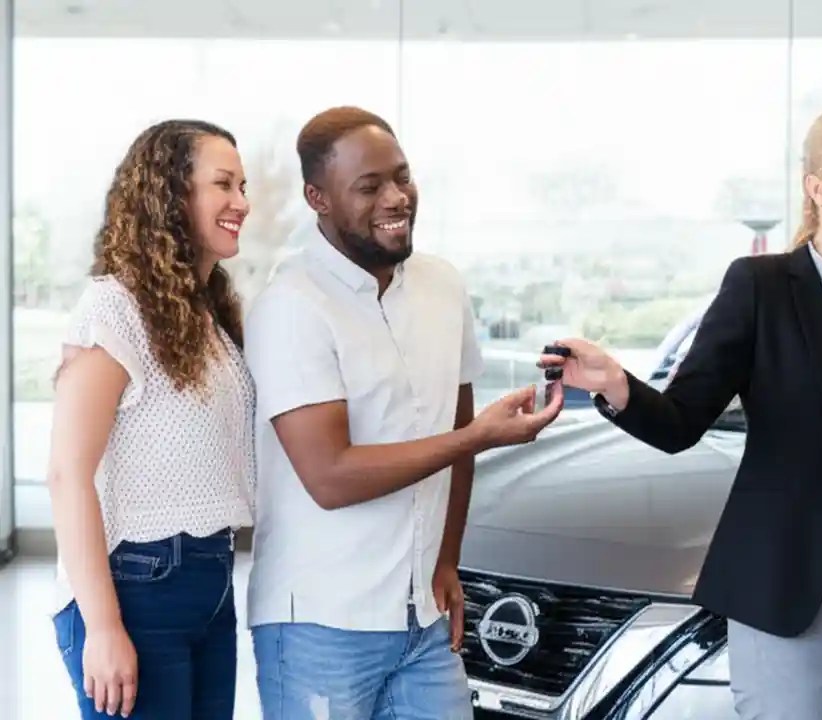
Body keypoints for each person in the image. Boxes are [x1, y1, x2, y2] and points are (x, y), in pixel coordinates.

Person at [540, 106, 822, 720]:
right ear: (817, 187)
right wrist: (615, 383)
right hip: (797, 609)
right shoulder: (762, 288)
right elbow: (681, 420)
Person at [243, 106, 562, 720]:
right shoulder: (291, 307)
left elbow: (458, 434)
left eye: (402, 177)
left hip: (425, 620)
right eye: (369, 187)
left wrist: (446, 559)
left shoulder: (444, 286)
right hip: (318, 624)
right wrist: (476, 437)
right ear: (319, 198)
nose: (396, 197)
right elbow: (330, 476)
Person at [47, 119, 255, 719]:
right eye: (224, 184)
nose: (241, 202)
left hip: (209, 581)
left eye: (243, 186)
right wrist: (104, 628)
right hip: (135, 587)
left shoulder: (206, 316)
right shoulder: (114, 306)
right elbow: (67, 474)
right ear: (171, 194)